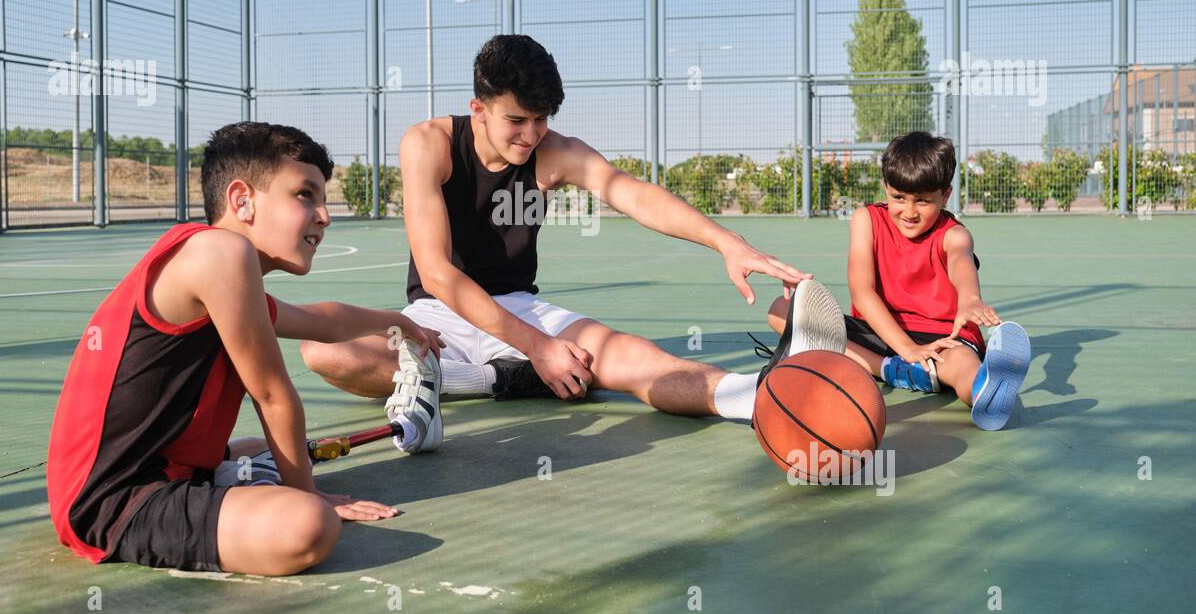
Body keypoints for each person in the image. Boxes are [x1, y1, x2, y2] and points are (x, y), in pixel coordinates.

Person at [301, 34, 848, 445]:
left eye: (542, 119)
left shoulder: (554, 151)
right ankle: (502, 381)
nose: (531, 134)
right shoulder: (428, 144)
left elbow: (631, 193)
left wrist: (726, 241)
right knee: (326, 351)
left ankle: (760, 396)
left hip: (518, 306)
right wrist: (537, 351)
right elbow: (439, 274)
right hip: (438, 311)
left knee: (632, 358)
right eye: (517, 119)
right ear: (478, 109)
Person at [46, 122, 443, 575]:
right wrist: (308, 493)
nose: (324, 215)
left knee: (261, 449)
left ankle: (226, 483)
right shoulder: (219, 254)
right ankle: (267, 497)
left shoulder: (221, 267)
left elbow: (321, 320)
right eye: (304, 194)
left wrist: (399, 321)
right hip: (113, 500)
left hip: (162, 469)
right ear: (242, 200)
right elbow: (272, 395)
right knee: (307, 527)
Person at [766, 130, 1031, 430]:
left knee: (961, 365)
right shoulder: (866, 220)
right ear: (885, 188)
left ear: (945, 195)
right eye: (898, 198)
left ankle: (985, 390)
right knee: (781, 311)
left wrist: (970, 299)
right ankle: (895, 370)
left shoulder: (954, 234)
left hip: (942, 337)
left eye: (922, 201)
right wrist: (907, 350)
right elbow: (862, 293)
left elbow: (960, 261)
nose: (909, 211)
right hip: (881, 334)